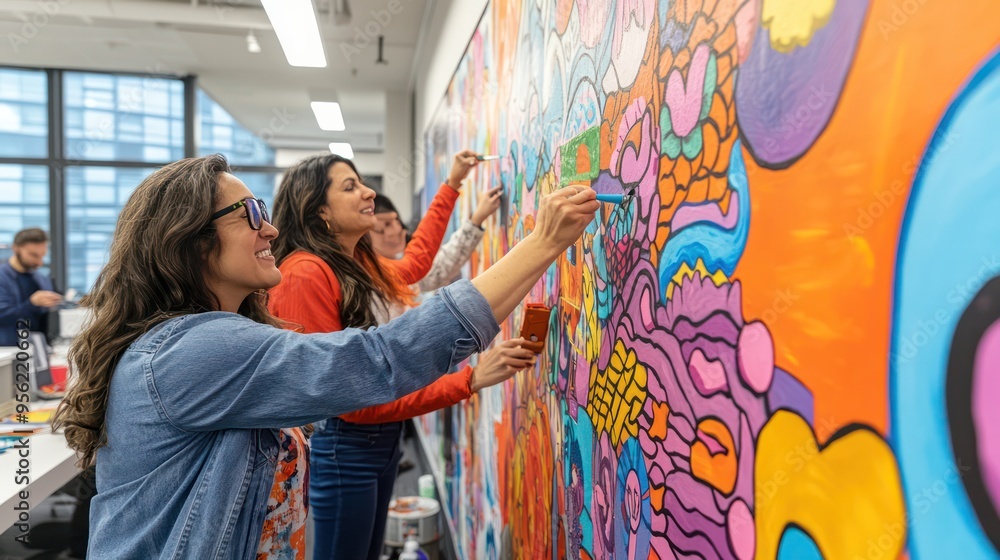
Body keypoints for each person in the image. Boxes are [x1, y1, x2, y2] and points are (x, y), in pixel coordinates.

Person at [50, 154, 598, 558]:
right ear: (191, 241)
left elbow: (415, 277)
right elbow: (376, 361)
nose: (269, 228)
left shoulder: (211, 335)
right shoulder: (195, 350)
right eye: (248, 214)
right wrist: (542, 243)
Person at [267, 152, 522, 560]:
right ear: (320, 213)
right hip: (346, 446)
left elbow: (418, 263)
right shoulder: (305, 274)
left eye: (361, 182)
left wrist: (453, 183)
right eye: (349, 186)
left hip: (380, 441)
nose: (368, 192)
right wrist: (467, 382)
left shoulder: (354, 261)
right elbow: (350, 402)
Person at [371, 185, 503, 292]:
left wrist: (476, 220)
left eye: (396, 219)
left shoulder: (400, 268)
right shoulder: (375, 283)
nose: (398, 228)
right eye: (386, 225)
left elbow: (440, 268)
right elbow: (439, 269)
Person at [0, 227, 62, 346]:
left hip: (38, 348)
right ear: (15, 248)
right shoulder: (2, 278)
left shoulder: (41, 279)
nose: (39, 262)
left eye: (42, 255)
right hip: (9, 349)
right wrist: (32, 304)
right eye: (33, 255)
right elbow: (3, 316)